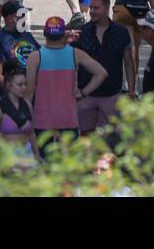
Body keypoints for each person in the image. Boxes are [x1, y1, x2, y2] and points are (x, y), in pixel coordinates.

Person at [25, 16, 107, 149]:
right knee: (68, 162)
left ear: (45, 33)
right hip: (68, 118)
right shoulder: (75, 54)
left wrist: (25, 115)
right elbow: (101, 73)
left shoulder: (35, 57)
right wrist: (83, 93)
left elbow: (29, 90)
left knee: (45, 160)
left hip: (43, 119)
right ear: (63, 33)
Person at [75, 0, 134, 131]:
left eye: (96, 8)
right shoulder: (82, 32)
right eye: (91, 8)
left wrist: (131, 89)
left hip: (111, 94)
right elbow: (73, 62)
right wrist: (74, 88)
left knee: (109, 139)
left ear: (106, 9)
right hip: (86, 94)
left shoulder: (121, 32)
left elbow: (128, 60)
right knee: (84, 136)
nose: (92, 11)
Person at [0, 0, 41, 89]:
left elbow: (42, 55)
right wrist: (16, 88)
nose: (25, 18)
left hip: (32, 94)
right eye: (21, 15)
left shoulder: (27, 35)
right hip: (11, 97)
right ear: (10, 18)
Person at [0, 68, 39, 160]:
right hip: (8, 154)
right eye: (20, 85)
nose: (24, 87)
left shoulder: (27, 104)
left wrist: (37, 154)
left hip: (27, 151)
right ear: (9, 85)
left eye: (25, 84)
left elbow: (32, 133)